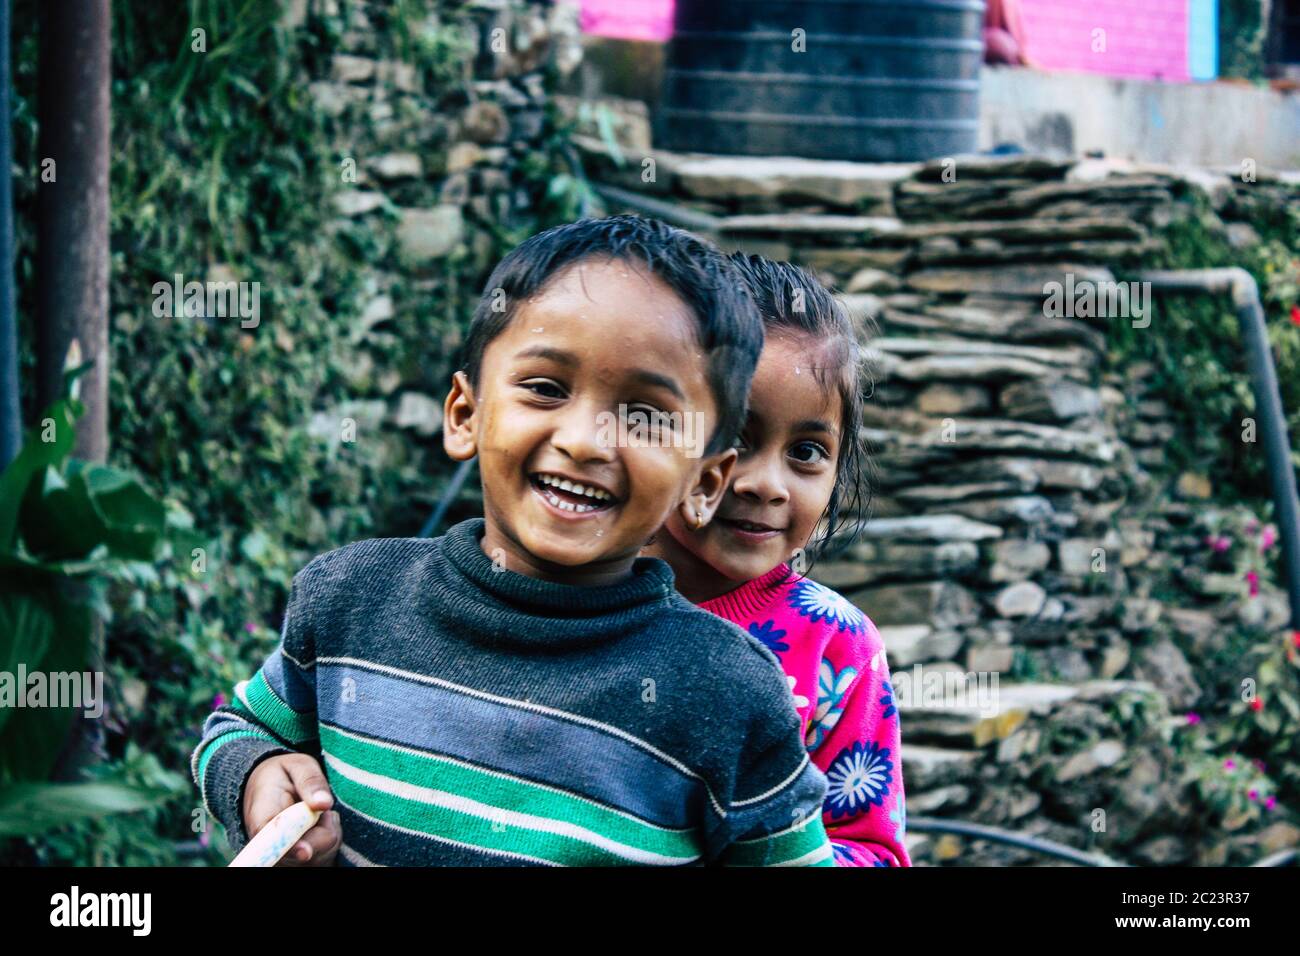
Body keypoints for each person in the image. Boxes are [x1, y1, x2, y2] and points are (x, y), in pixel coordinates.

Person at [190, 215, 834, 866]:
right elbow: (240, 729)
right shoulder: (348, 603)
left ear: (705, 480)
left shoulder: (725, 696)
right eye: (547, 389)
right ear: (465, 415)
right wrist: (256, 774)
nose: (584, 441)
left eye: (644, 415)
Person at [644, 254, 910, 866]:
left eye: (808, 451)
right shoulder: (580, 596)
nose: (767, 484)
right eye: (736, 437)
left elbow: (871, 848)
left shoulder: (836, 646)